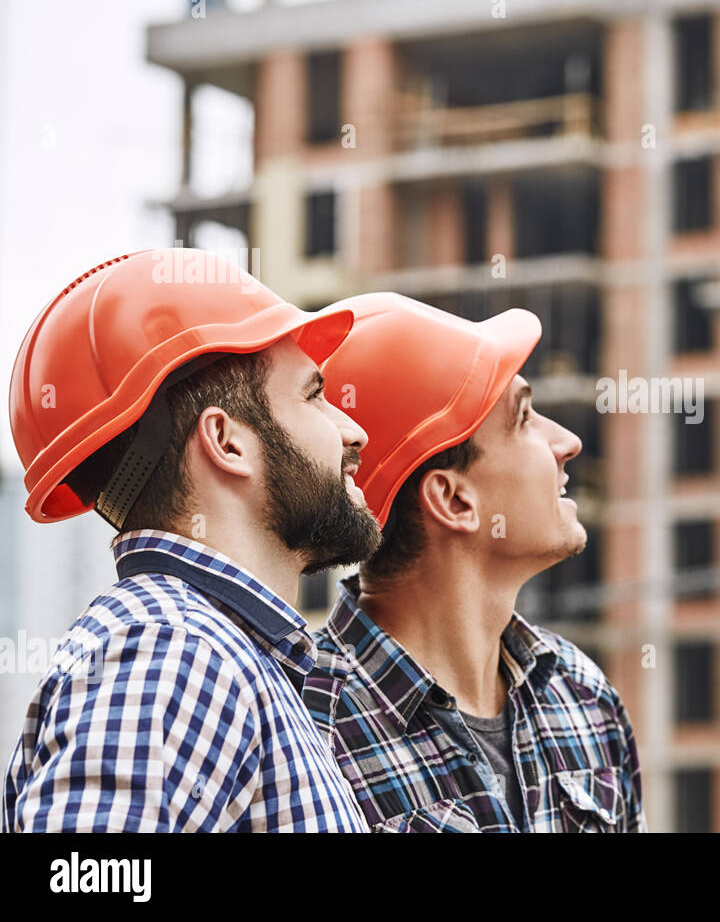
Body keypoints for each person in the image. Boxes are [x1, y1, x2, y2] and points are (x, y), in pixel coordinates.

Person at [3, 248, 382, 831]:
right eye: (313, 396)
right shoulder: (177, 649)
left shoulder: (217, 653)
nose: (353, 432)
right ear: (227, 443)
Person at [303, 292, 645, 832]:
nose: (568, 442)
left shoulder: (583, 698)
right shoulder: (308, 729)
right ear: (454, 500)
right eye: (524, 418)